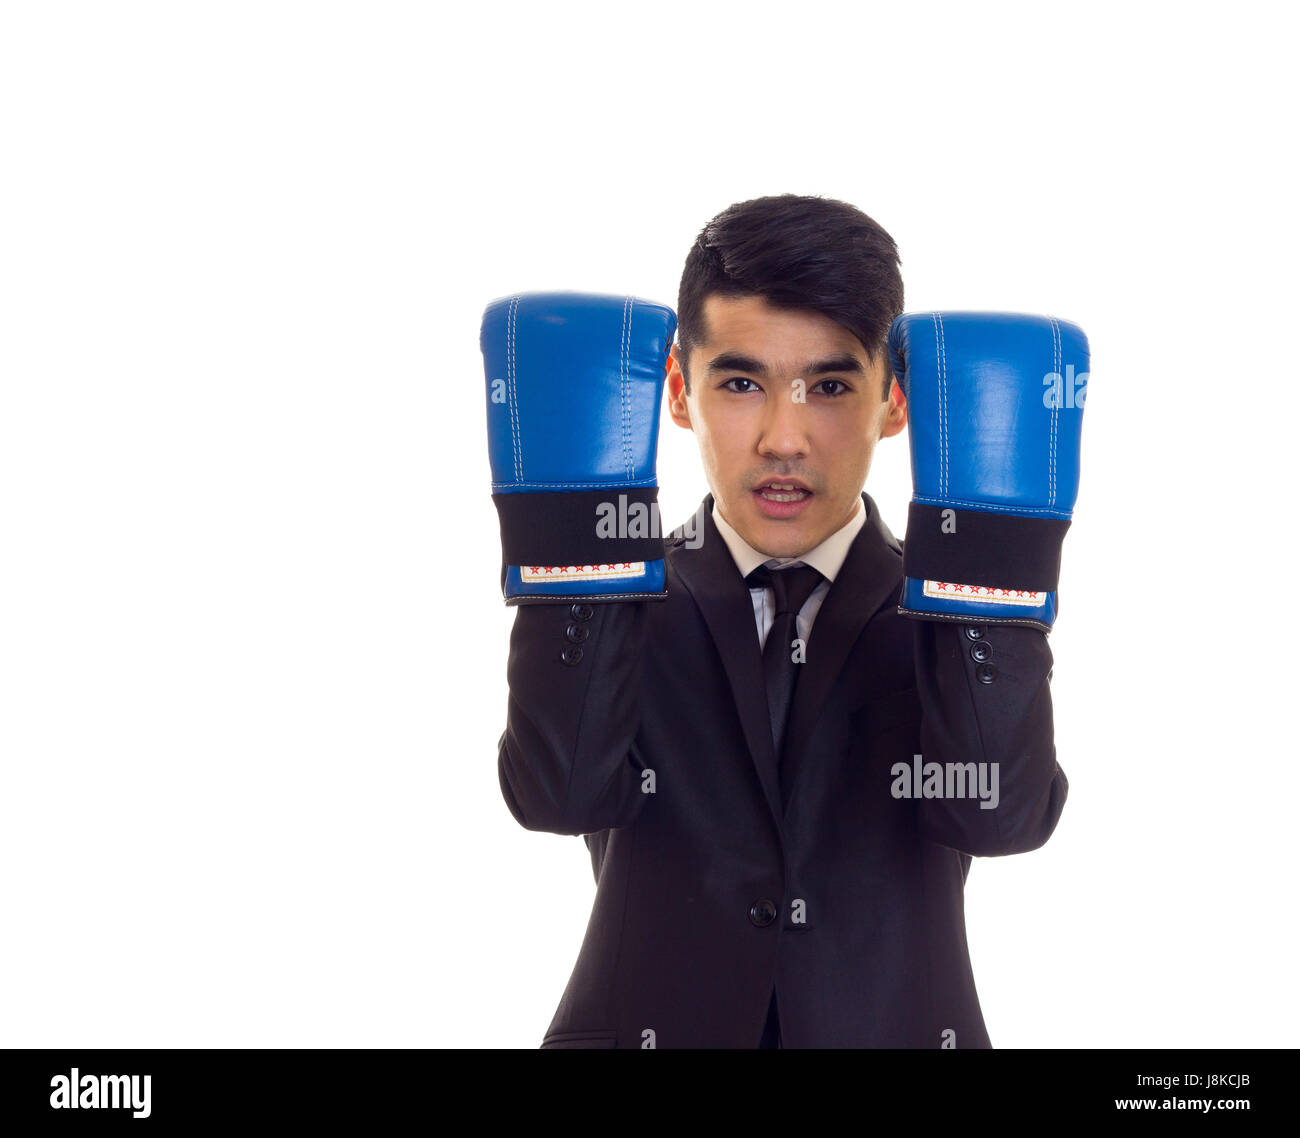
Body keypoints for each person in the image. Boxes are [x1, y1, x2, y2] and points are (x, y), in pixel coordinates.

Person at [480, 194, 1088, 1048]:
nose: (783, 437)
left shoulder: (944, 604)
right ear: (680, 395)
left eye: (831, 386)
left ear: (897, 403)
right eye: (740, 383)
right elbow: (556, 795)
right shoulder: (619, 591)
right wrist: (572, 545)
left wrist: (991, 562)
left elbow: (1001, 819)